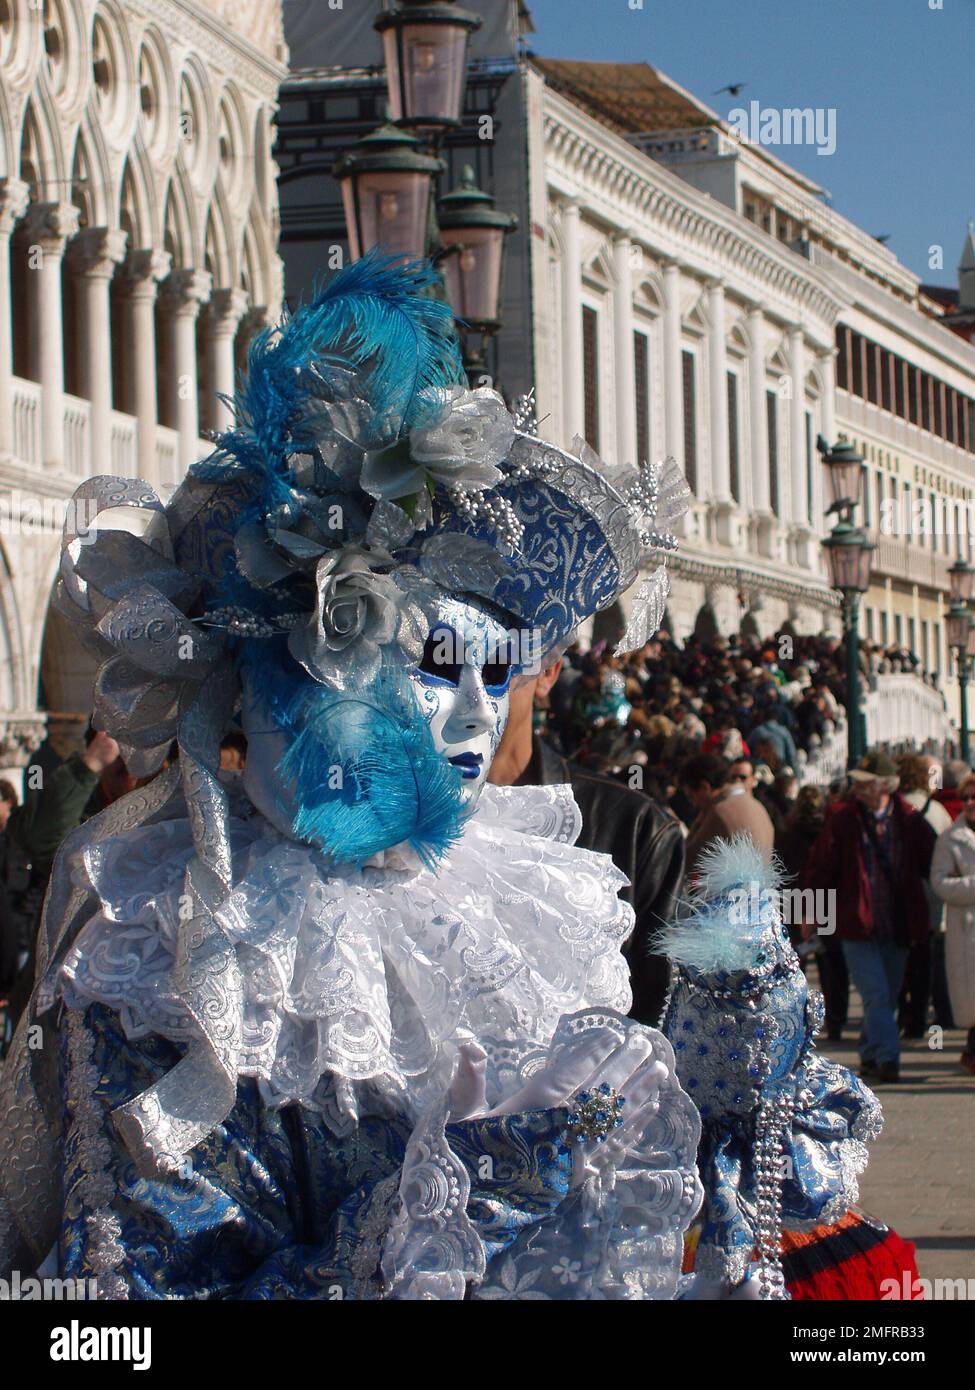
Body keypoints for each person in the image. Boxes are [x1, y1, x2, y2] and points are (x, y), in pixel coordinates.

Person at [0, 254, 880, 1303]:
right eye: (435, 666)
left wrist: (720, 1104)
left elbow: (636, 1208)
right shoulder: (188, 942)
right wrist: (439, 1229)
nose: (476, 713)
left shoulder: (534, 903)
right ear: (318, 668)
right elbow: (130, 1305)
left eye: (500, 673)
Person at [489, 652, 685, 1027]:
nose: (470, 694)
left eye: (495, 666)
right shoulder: (370, 827)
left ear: (547, 672)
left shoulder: (636, 831)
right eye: (437, 665)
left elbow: (661, 1030)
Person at [803, 750, 935, 1083]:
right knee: (876, 994)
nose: (858, 788)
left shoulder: (910, 820)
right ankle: (889, 1060)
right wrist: (809, 912)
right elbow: (820, 869)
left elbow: (933, 863)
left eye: (866, 783)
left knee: (887, 997)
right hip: (857, 925)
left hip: (898, 925)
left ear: (885, 786)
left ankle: (869, 1053)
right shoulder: (843, 818)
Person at [930, 773, 975, 1076]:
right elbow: (940, 882)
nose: (969, 803)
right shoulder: (950, 838)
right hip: (967, 929)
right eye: (966, 797)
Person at [681, 750, 775, 878]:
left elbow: (688, 861)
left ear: (704, 787)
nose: (694, 803)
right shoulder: (757, 805)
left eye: (692, 796)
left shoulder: (720, 813)